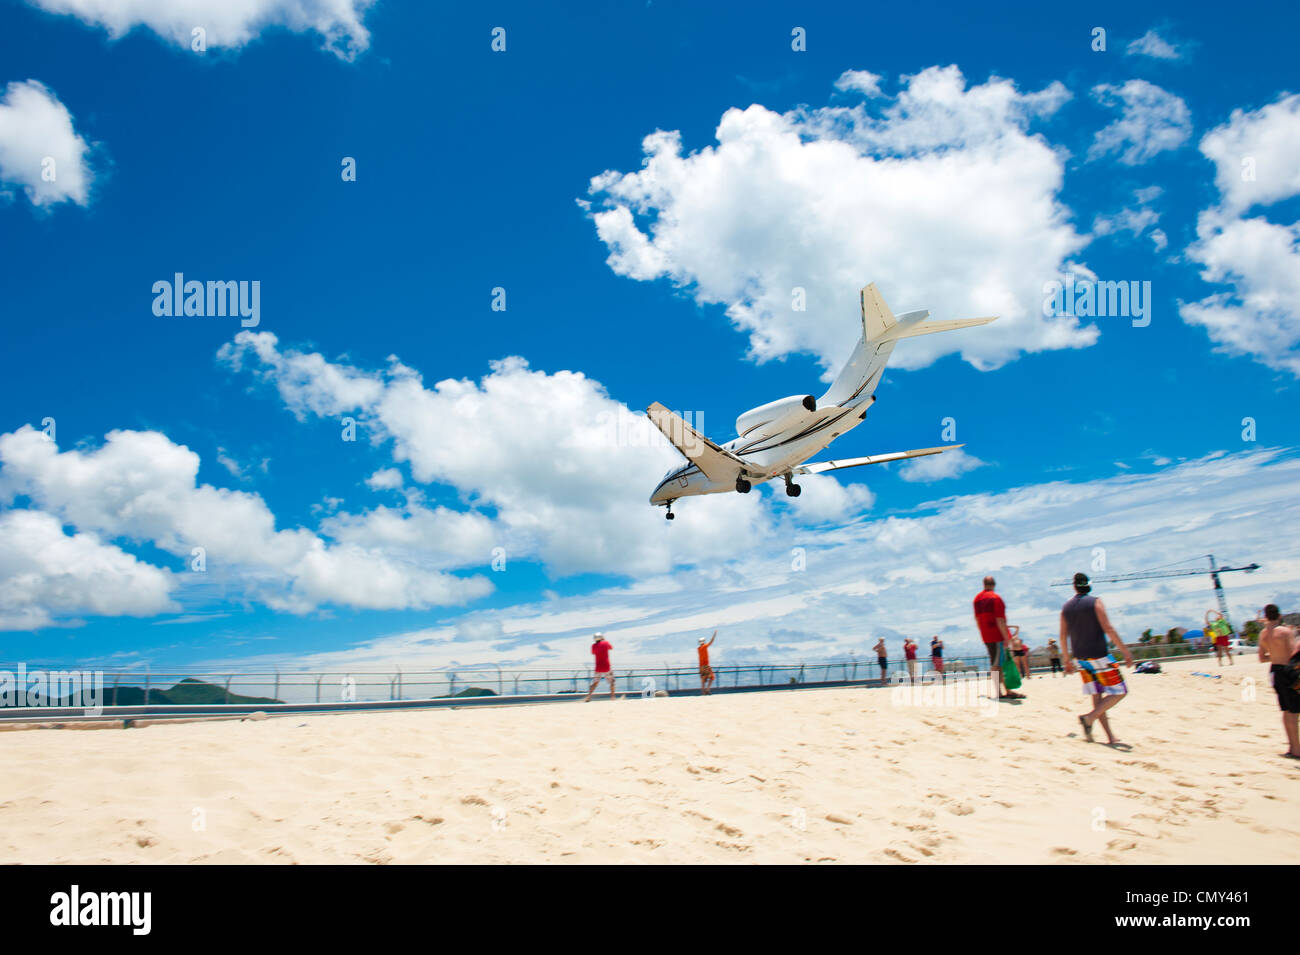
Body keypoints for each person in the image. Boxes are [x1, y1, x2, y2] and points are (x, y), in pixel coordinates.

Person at [1061, 573, 1134, 745]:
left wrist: (1066, 660)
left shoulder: (1066, 608)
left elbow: (1063, 635)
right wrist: (1125, 651)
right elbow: (1108, 628)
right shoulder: (1095, 602)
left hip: (1080, 658)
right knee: (1120, 691)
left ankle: (1109, 737)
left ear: (1074, 587)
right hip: (1099, 655)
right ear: (1089, 586)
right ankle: (1089, 717)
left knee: (1097, 695)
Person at [1257, 604, 1299, 759]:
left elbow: (1262, 658)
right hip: (1289, 670)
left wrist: (1274, 656)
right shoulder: (1285, 632)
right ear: (1279, 615)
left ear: (1267, 616)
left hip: (1274, 671)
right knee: (1294, 710)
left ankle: (1292, 747)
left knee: (1286, 710)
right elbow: (1293, 655)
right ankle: (1297, 749)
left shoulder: (1263, 634)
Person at [973, 576, 1022, 700]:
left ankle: (1007, 690)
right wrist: (1006, 637)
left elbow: (977, 620)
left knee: (1000, 663)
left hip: (986, 635)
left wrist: (983, 633)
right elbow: (1000, 620)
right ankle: (998, 692)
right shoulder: (996, 598)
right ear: (994, 584)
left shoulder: (977, 599)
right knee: (996, 663)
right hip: (997, 635)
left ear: (983, 584)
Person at [582, 632, 616, 701]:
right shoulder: (606, 643)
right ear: (601, 637)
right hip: (607, 667)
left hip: (598, 668)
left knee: (595, 683)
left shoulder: (593, 646)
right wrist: (604, 640)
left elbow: (593, 653)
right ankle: (612, 697)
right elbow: (611, 648)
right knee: (612, 682)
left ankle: (588, 697)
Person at [697, 630, 717, 695]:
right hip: (706, 665)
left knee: (703, 679)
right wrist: (714, 634)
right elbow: (711, 641)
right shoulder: (705, 646)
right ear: (703, 642)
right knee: (712, 677)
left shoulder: (698, 649)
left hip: (701, 666)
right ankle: (708, 689)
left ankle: (703, 692)